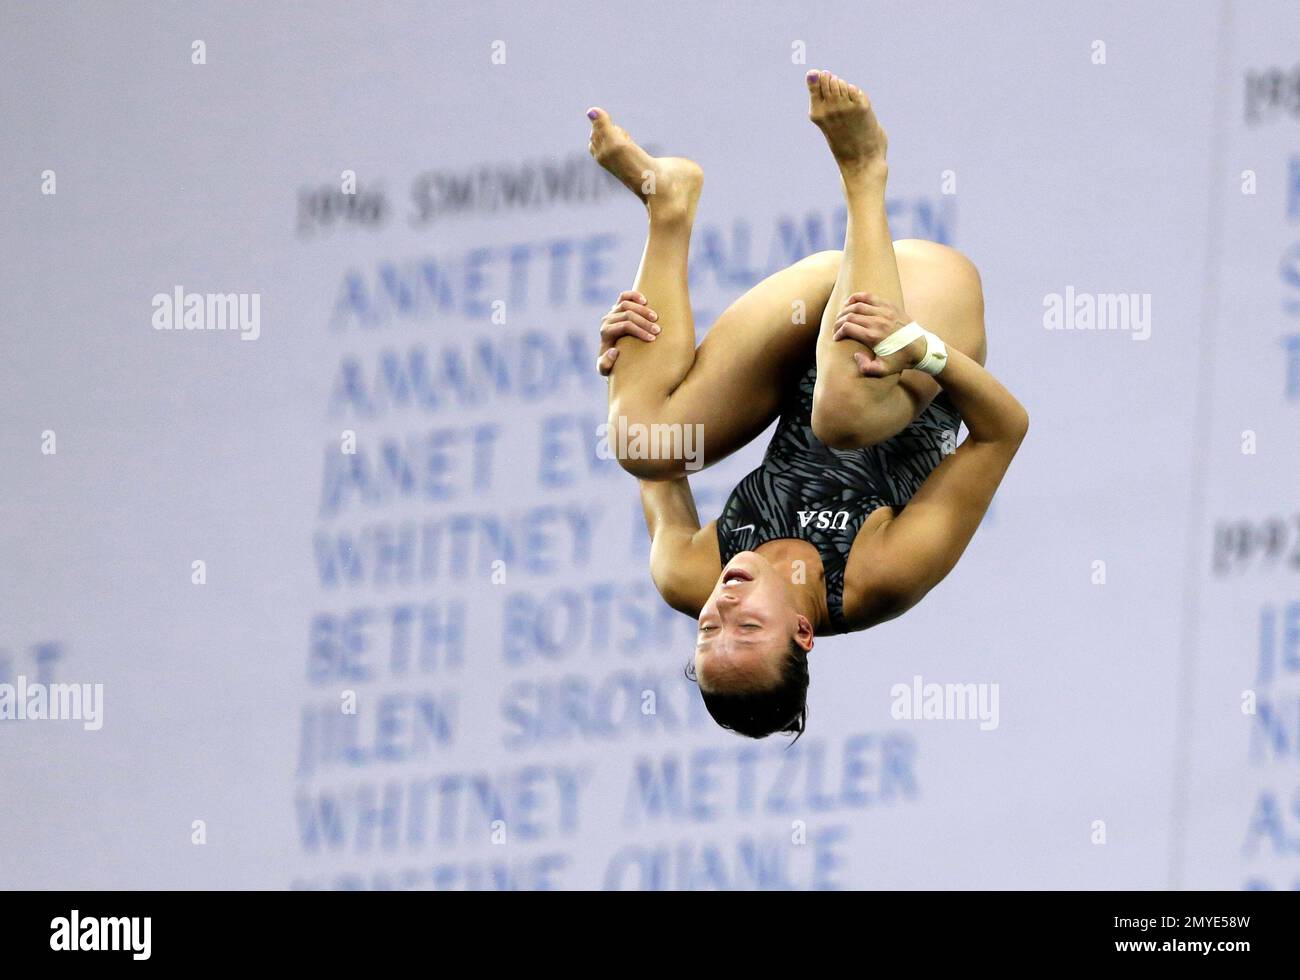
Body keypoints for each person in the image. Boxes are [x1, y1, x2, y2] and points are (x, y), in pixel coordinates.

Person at [587, 70, 1028, 739]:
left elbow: (655, 466)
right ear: (801, 630)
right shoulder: (880, 575)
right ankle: (864, 168)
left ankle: (667, 204)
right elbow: (1003, 432)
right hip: (922, 304)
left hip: (811, 318)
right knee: (844, 416)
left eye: (709, 625)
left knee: (640, 442)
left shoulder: (689, 571)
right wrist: (924, 350)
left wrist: (623, 368)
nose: (724, 601)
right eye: (747, 624)